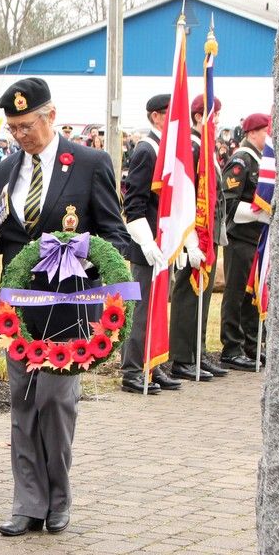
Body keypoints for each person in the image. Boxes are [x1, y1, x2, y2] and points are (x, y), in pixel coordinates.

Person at [0, 77, 128, 536]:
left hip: (69, 310)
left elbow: (113, 236)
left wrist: (88, 256)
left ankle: (59, 495)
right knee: (21, 406)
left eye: (27, 125)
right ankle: (28, 503)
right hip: (19, 312)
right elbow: (6, 236)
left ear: (51, 116)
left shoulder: (88, 163)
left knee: (56, 404)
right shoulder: (3, 172)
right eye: (13, 128)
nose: (20, 136)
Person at [118, 95, 185, 394]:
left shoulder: (167, 150)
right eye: (172, 113)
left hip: (163, 243)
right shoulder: (147, 150)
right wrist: (147, 242)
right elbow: (134, 204)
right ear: (157, 117)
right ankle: (132, 370)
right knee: (142, 309)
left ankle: (152, 365)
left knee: (158, 308)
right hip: (147, 242)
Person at [167, 95, 230, 380]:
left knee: (203, 295)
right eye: (213, 115)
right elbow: (186, 196)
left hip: (210, 232)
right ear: (197, 116)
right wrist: (189, 237)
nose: (216, 121)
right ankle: (182, 357)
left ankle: (198, 351)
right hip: (194, 231)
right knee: (188, 293)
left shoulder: (206, 147)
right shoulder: (191, 147)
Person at [219, 112, 270, 370]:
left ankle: (251, 345)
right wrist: (260, 212)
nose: (269, 137)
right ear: (252, 133)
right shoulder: (242, 160)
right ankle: (231, 347)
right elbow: (229, 202)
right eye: (265, 132)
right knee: (236, 293)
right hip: (240, 237)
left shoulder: (261, 160)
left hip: (257, 237)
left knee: (252, 296)